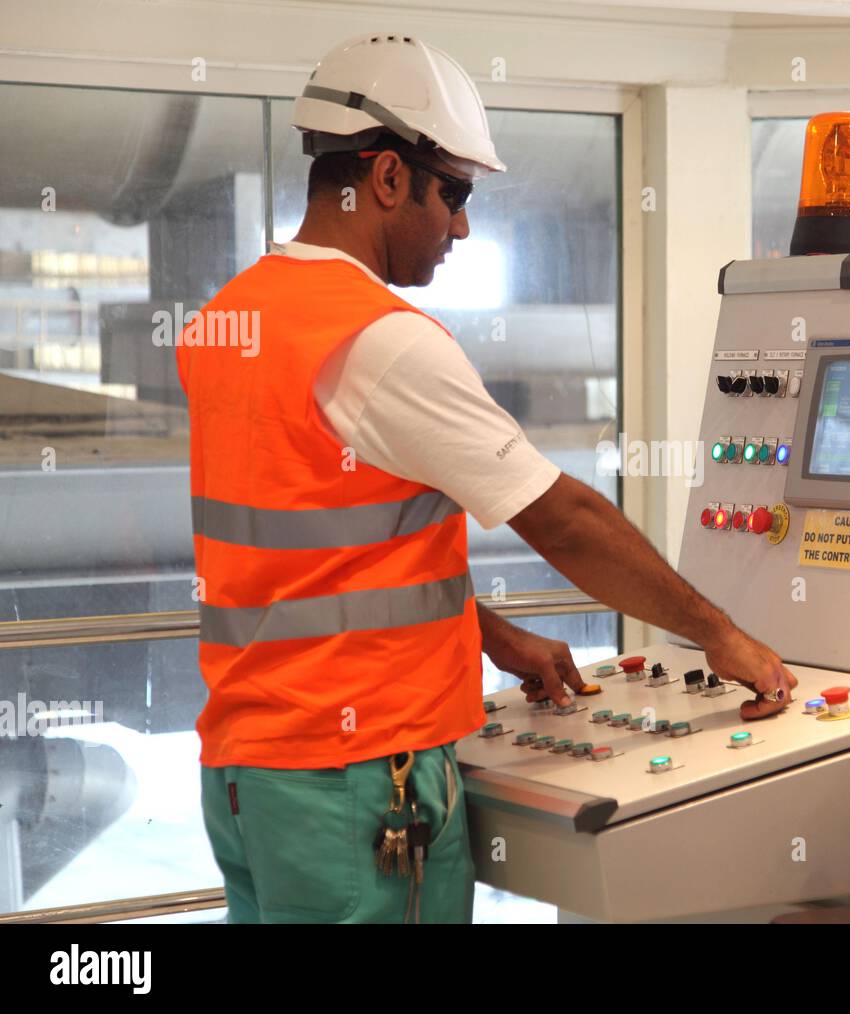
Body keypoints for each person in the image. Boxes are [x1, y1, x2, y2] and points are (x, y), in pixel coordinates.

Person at [179, 34, 794, 925]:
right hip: (363, 781)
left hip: (249, 776)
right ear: (387, 178)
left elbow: (316, 556)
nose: (462, 226)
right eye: (454, 193)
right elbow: (566, 520)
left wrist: (487, 633)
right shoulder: (380, 340)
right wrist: (717, 635)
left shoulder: (231, 321)